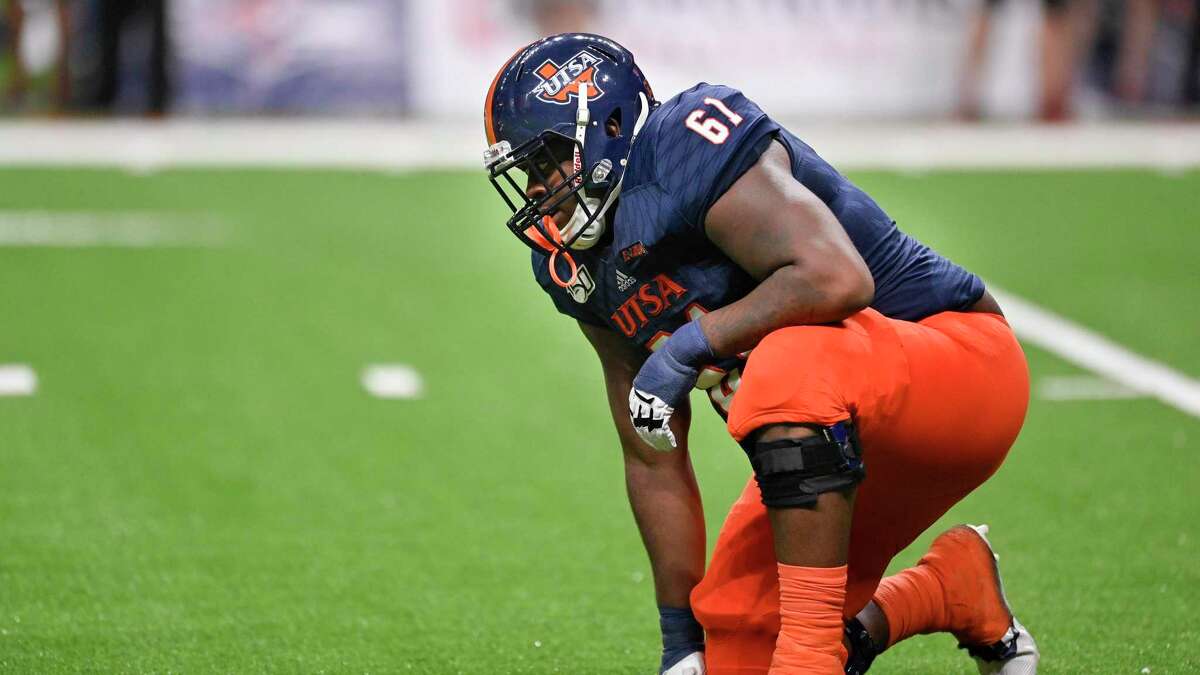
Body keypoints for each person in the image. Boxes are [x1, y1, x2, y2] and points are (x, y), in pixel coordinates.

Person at [482, 33, 1040, 675]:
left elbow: (834, 279)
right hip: (840, 442)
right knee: (735, 648)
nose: (540, 187)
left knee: (787, 362)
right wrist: (679, 642)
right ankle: (947, 587)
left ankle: (807, 664)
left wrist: (693, 342)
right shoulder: (573, 264)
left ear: (607, 124)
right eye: (528, 173)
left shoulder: (681, 143)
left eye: (550, 159)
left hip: (960, 370)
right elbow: (650, 450)